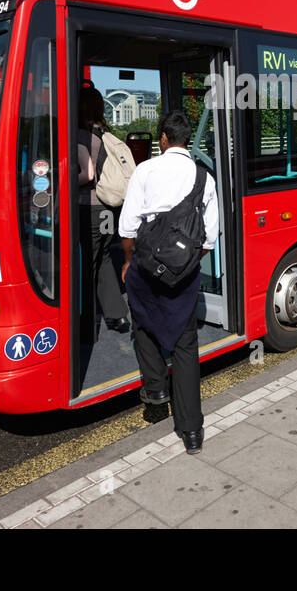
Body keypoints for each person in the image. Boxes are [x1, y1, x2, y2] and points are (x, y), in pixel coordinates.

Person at [119, 111, 218, 454]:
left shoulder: (145, 170)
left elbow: (127, 227)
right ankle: (192, 432)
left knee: (143, 323)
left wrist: (131, 261)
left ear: (162, 139)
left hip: (145, 268)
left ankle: (157, 390)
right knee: (185, 344)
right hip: (185, 275)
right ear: (187, 140)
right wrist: (186, 265)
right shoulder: (204, 177)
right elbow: (209, 238)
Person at [77, 86, 130, 334]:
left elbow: (87, 173)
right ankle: (118, 316)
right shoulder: (107, 134)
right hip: (110, 210)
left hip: (89, 210)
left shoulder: (80, 135)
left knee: (86, 265)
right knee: (104, 258)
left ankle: (87, 325)